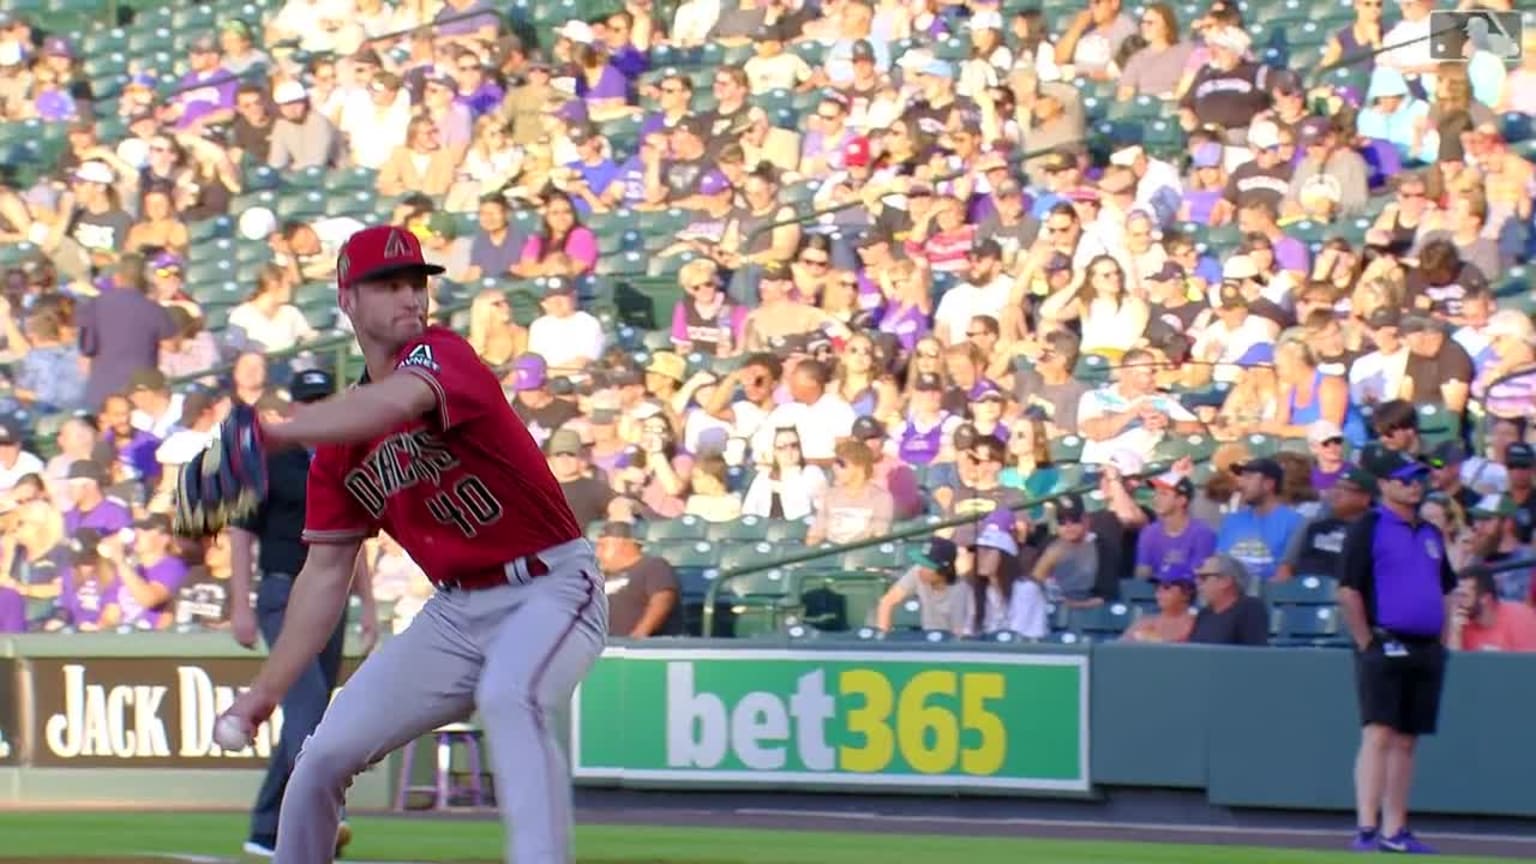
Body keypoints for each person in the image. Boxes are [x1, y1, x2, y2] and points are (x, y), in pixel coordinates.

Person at [220, 226, 607, 864]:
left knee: (511, 695)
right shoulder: (338, 449)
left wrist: (274, 431)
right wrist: (266, 691)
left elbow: (392, 404)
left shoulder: (442, 354)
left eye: (416, 283)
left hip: (550, 586)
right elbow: (323, 578)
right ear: (348, 299)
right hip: (456, 614)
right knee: (319, 760)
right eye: (389, 284)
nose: (410, 297)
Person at [227, 371, 379, 859]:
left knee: (302, 708)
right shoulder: (270, 461)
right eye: (306, 400)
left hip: (331, 598)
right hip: (282, 591)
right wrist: (239, 603)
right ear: (292, 408)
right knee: (308, 699)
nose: (313, 408)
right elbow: (240, 533)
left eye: (321, 399)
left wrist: (369, 605)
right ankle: (322, 814)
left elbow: (355, 539)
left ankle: (266, 827)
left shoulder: (343, 458)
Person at [1337, 450, 1454, 854]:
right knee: (1379, 732)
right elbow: (1349, 588)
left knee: (1407, 739)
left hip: (1425, 647)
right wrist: (1365, 640)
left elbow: (1446, 589)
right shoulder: (1369, 527)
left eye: (1418, 478)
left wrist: (1443, 640)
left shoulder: (1430, 533)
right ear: (1384, 485)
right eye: (1405, 479)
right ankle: (1367, 827)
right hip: (1385, 640)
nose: (1414, 485)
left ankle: (1395, 828)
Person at [1187, 554, 1269, 646]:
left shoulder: (1250, 609)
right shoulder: (1204, 614)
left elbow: (1255, 654)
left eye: (1203, 577)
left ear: (1226, 581)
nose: (1197, 582)